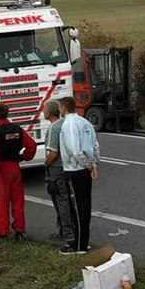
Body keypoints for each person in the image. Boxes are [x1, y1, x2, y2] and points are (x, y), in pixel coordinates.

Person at [0, 103, 36, 241]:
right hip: (15, 167)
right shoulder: (17, 129)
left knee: (2, 200)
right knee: (18, 200)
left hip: (2, 169)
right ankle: (20, 230)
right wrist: (24, 157)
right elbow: (31, 145)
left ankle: (2, 230)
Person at [58, 96, 100, 254]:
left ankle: (79, 245)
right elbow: (95, 145)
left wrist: (87, 164)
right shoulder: (85, 122)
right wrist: (94, 164)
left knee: (76, 208)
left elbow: (75, 150)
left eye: (60, 107)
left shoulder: (68, 124)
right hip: (85, 170)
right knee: (85, 206)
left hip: (74, 169)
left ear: (64, 108)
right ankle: (84, 241)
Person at [43, 100, 76, 254]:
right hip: (68, 166)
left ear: (48, 113)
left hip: (56, 169)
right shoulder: (65, 123)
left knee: (61, 200)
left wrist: (46, 163)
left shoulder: (53, 128)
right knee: (66, 199)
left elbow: (53, 153)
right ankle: (65, 230)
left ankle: (68, 235)